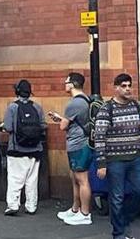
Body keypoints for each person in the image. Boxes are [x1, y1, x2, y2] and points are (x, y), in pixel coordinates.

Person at [95, 74, 140, 239]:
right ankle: (119, 233)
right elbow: (99, 136)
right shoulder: (106, 109)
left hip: (136, 158)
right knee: (116, 197)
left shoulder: (135, 105)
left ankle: (124, 219)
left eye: (129, 85)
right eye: (123, 86)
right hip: (115, 160)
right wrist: (101, 163)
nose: (127, 89)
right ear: (116, 88)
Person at [52, 72, 93, 226]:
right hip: (81, 143)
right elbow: (70, 122)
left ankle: (85, 213)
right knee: (75, 178)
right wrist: (60, 118)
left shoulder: (74, 103)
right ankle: (76, 209)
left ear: (73, 84)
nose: (64, 84)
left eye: (66, 81)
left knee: (82, 179)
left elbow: (64, 126)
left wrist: (61, 120)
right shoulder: (85, 100)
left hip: (78, 144)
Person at [2, 79, 46, 216]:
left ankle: (13, 204)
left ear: (17, 92)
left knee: (15, 178)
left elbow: (8, 127)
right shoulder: (37, 107)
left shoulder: (12, 107)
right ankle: (31, 205)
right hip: (35, 149)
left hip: (16, 149)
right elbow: (43, 126)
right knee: (32, 179)